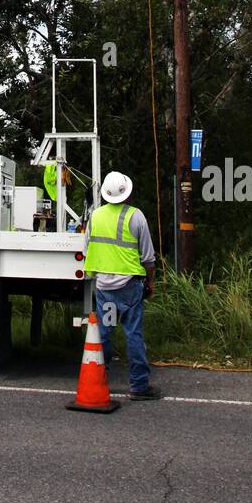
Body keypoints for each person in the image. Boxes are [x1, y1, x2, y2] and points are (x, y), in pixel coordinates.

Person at [84, 171, 161, 400]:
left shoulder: (95, 216)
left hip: (105, 289)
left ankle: (99, 379)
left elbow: (87, 250)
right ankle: (139, 387)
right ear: (127, 192)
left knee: (105, 334)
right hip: (129, 289)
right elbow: (148, 258)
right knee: (133, 334)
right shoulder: (136, 217)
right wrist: (150, 282)